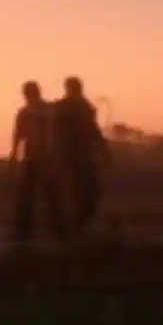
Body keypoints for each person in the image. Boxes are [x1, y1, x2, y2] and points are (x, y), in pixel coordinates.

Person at [51, 76, 111, 239]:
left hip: (80, 156)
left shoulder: (80, 107)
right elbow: (56, 133)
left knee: (88, 191)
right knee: (77, 193)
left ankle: (77, 226)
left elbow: (93, 129)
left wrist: (103, 149)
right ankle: (72, 227)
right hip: (71, 156)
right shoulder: (65, 108)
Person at [8, 80, 60, 244]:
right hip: (41, 157)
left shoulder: (30, 112)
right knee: (46, 194)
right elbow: (19, 135)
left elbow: (18, 136)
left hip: (39, 157)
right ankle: (54, 228)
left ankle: (27, 229)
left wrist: (14, 155)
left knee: (33, 194)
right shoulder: (47, 110)